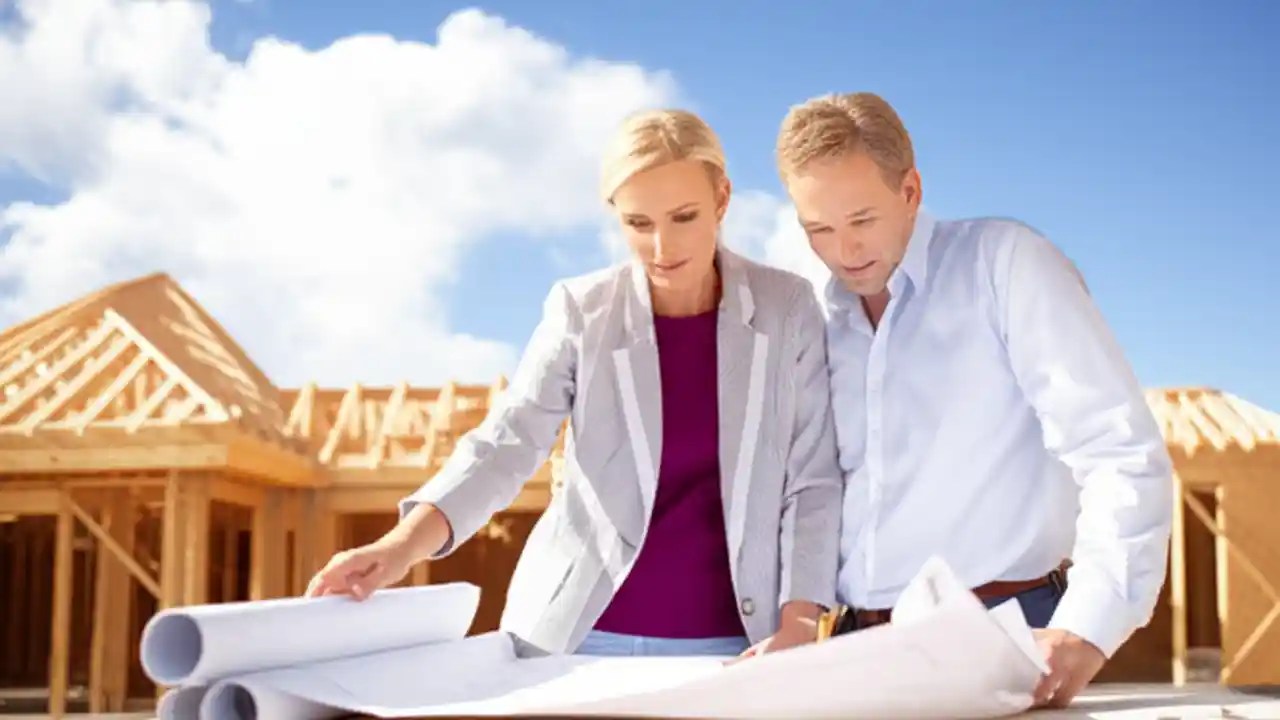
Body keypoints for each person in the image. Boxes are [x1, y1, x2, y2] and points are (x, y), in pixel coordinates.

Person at [306, 108, 844, 659]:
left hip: (735, 646)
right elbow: (506, 444)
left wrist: (800, 623)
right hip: (579, 639)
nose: (663, 247)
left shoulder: (788, 309)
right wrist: (400, 548)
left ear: (723, 199)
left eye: (684, 216)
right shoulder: (582, 311)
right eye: (639, 224)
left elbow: (812, 482)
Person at [772, 91, 1174, 707]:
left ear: (911, 191)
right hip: (851, 647)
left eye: (861, 221)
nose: (844, 253)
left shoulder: (1003, 264)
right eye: (818, 229)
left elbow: (1117, 449)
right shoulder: (819, 320)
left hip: (1001, 633)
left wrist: (1085, 630)